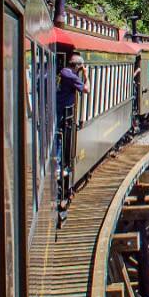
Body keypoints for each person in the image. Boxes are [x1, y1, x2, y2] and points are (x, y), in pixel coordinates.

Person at [57, 54, 88, 208]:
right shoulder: (69, 75)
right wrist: (86, 76)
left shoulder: (64, 73)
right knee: (59, 142)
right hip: (61, 116)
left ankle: (60, 168)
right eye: (80, 68)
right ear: (77, 66)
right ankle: (58, 168)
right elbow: (87, 89)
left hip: (61, 116)